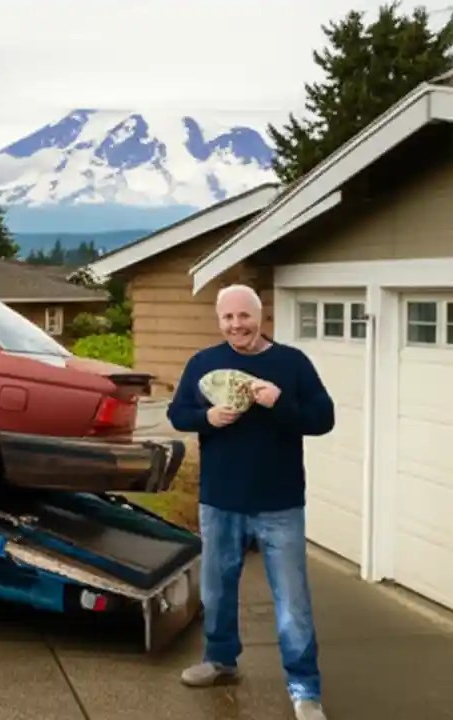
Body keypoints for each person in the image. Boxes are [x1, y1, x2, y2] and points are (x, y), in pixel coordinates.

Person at [167, 283, 336, 720]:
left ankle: (304, 689)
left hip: (280, 503)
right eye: (228, 318)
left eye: (244, 316)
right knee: (218, 592)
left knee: (292, 603)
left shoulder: (291, 363)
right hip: (220, 500)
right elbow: (177, 413)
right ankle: (220, 662)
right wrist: (207, 417)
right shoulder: (203, 364)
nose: (236, 325)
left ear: (260, 317)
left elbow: (323, 418)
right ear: (218, 320)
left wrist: (280, 404)